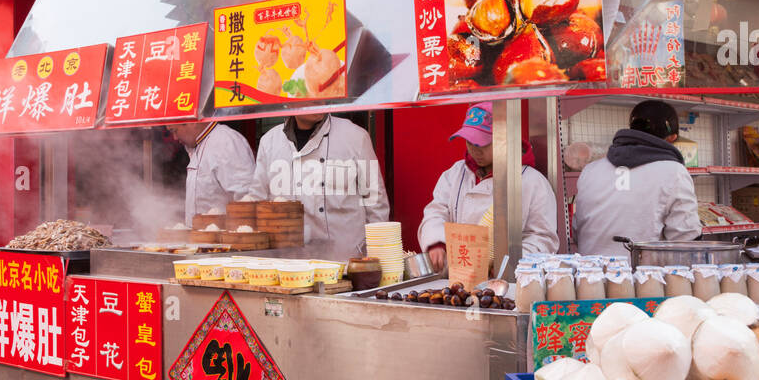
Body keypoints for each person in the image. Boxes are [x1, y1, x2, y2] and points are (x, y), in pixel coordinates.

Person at [419, 102, 559, 270]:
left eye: (482, 143)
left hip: (506, 280)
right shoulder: (455, 174)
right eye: (469, 142)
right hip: (457, 273)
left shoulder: (532, 182)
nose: (475, 149)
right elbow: (436, 211)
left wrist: (506, 264)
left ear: (505, 140)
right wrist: (436, 242)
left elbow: (542, 237)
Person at [252, 112, 389, 261]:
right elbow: (258, 201)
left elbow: (375, 202)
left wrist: (376, 259)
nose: (317, 101)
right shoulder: (270, 142)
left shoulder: (355, 136)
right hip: (289, 265)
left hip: (347, 261)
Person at [573, 99, 701, 256]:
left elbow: (578, 229)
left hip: (590, 275)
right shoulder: (673, 172)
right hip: (642, 277)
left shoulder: (590, 170)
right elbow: (686, 240)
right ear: (672, 138)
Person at [166, 122, 257, 226]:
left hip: (223, 238)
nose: (174, 138)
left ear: (190, 122)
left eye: (174, 131)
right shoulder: (196, 144)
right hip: (201, 238)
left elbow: (246, 198)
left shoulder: (226, 141)